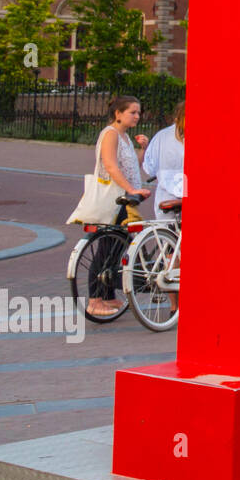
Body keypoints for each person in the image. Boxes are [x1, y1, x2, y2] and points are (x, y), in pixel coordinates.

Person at [85, 96, 151, 319]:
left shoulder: (124, 137)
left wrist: (143, 149)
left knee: (117, 246)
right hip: (114, 199)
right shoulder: (110, 134)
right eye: (133, 112)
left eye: (138, 112)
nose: (137, 116)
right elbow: (111, 166)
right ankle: (94, 300)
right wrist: (131, 190)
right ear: (118, 114)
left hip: (124, 199)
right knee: (106, 248)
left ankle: (108, 295)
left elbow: (132, 167)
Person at [142, 100, 186, 217]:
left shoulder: (162, 136)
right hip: (187, 193)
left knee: (165, 231)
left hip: (166, 194)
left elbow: (149, 167)